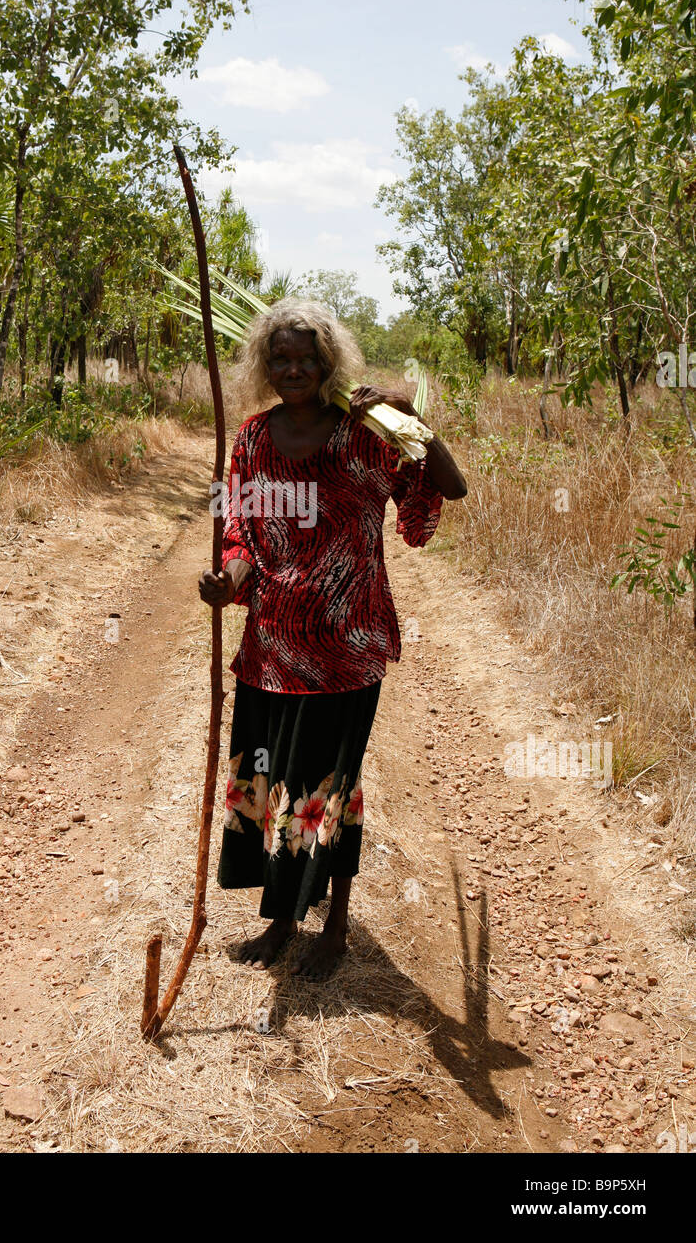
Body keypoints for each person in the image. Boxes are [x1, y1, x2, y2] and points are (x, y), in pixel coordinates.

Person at [198, 299, 467, 980]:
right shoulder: (254, 440)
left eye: (308, 357)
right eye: (281, 357)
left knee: (330, 787)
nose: (294, 368)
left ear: (330, 362)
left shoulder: (368, 434)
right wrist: (228, 583)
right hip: (270, 647)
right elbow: (242, 535)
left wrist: (414, 420)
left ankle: (336, 926)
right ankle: (284, 918)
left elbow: (449, 489)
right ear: (265, 363)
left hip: (348, 648)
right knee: (265, 780)